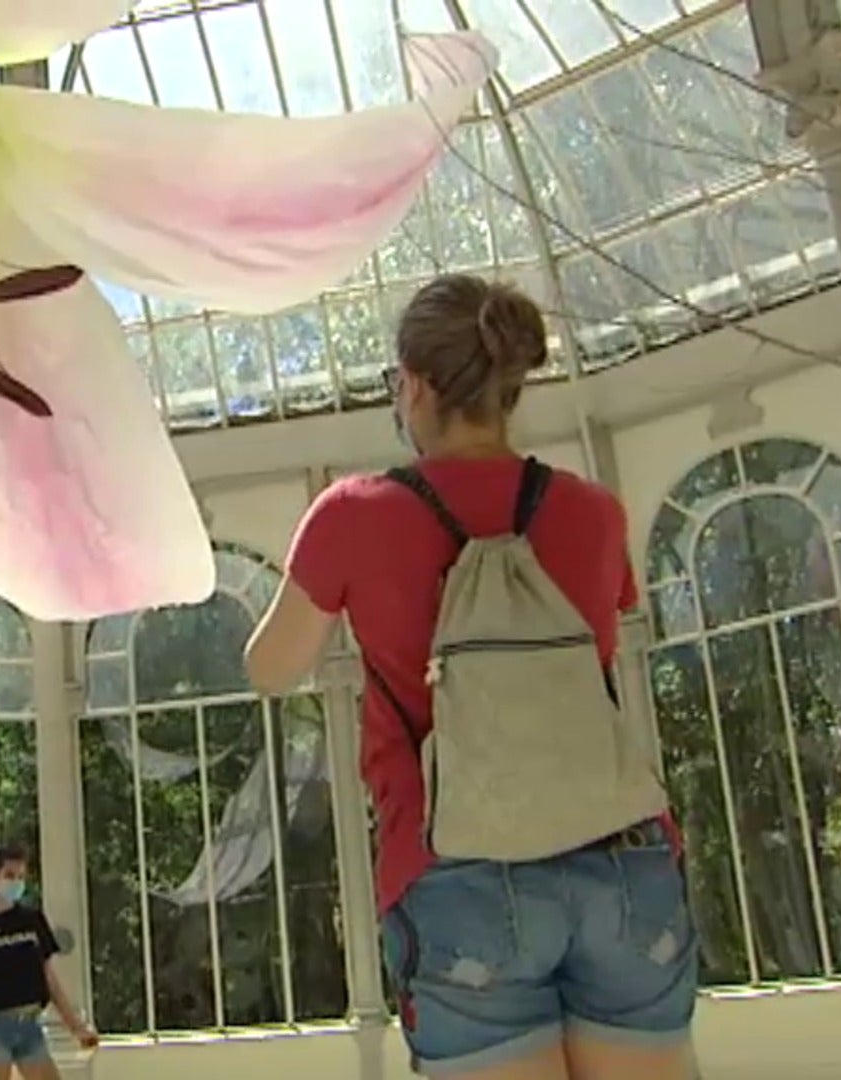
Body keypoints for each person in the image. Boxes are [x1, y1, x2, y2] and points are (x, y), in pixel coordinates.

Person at [242, 274, 697, 1080]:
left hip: (457, 871)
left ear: (413, 385)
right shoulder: (595, 512)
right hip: (623, 859)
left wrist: (322, 563)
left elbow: (270, 669)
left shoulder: (353, 514)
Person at [0, 845, 99, 1077]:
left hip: (29, 1025)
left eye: (20, 877)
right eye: (9, 875)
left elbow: (50, 980)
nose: (15, 882)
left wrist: (76, 1027)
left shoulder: (32, 920)